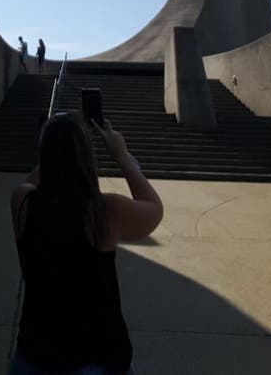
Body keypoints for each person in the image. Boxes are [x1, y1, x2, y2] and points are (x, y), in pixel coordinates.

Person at [9, 112, 164, 374]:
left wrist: (57, 143)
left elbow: (37, 180)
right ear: (86, 157)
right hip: (96, 356)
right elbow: (154, 209)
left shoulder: (22, 201)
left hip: (34, 353)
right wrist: (121, 155)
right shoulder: (104, 211)